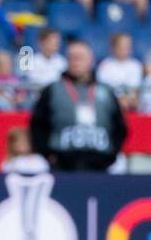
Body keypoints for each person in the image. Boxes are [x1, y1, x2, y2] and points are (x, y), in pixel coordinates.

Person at [28, 39, 128, 171]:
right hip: (62, 162)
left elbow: (120, 127)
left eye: (80, 58)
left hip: (100, 163)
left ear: (90, 60)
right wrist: (47, 154)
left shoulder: (107, 91)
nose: (76, 62)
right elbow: (37, 125)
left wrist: (111, 155)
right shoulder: (52, 90)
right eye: (72, 58)